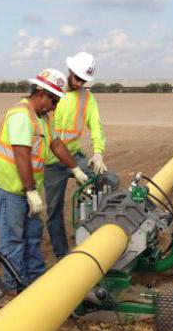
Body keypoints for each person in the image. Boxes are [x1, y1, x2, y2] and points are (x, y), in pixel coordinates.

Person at [0, 68, 88, 293]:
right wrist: (31, 191)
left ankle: (35, 279)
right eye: (54, 101)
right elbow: (21, 154)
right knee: (13, 239)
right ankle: (16, 287)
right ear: (41, 93)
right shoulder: (21, 116)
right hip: (8, 188)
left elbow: (56, 145)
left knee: (32, 233)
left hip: (24, 188)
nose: (56, 106)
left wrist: (75, 169)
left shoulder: (43, 118)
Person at [44, 52, 119, 258]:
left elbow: (96, 125)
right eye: (77, 78)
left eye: (84, 80)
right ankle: (62, 254)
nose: (79, 83)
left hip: (74, 156)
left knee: (107, 181)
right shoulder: (54, 93)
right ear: (70, 72)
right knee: (53, 210)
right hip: (51, 161)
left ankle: (91, 233)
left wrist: (98, 153)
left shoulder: (88, 97)